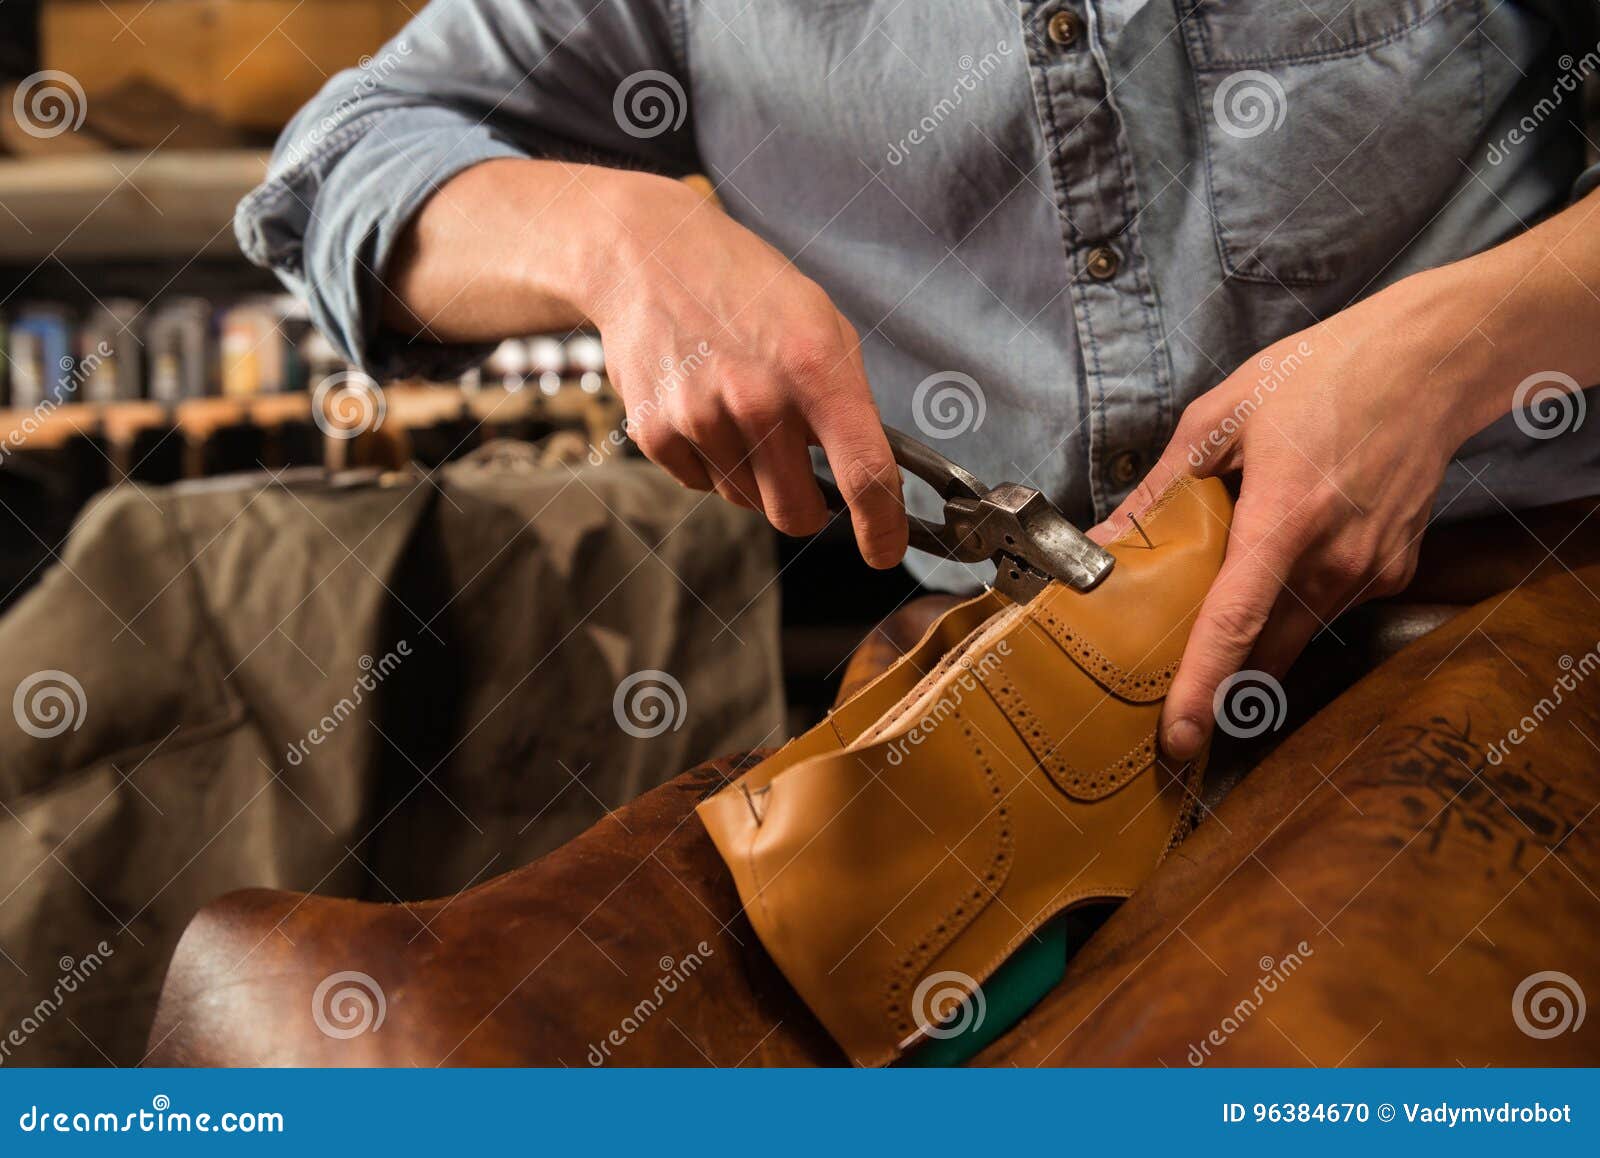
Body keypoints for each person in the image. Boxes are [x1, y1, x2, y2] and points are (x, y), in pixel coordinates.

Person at [237, 0, 1600, 763]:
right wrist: (614, 238)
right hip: (1024, 717)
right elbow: (334, 167)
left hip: (1513, 633)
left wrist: (1452, 349)